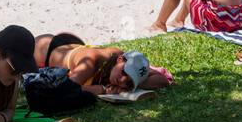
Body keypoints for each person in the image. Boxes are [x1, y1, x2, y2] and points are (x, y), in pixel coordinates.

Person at [33, 35, 170, 95]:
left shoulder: (127, 63)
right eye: (124, 72)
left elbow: (162, 80)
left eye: (129, 81)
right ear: (120, 59)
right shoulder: (90, 63)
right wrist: (102, 89)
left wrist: (133, 84)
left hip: (75, 46)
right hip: (46, 49)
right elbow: (66, 88)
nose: (121, 81)